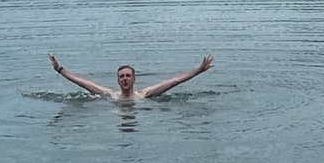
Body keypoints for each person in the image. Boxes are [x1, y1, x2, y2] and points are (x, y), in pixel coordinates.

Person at [48, 53, 214, 99]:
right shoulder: (110, 95)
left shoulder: (145, 95)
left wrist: (198, 70)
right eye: (122, 76)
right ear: (118, 81)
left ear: (134, 79)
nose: (125, 78)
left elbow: (174, 81)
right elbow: (83, 83)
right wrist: (60, 69)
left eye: (128, 76)